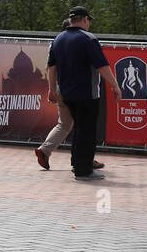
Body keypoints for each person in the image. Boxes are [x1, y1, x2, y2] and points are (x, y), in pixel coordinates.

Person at [47, 6, 120, 180]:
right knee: (86, 131)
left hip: (66, 93)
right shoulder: (88, 39)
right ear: (85, 19)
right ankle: (83, 170)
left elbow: (51, 67)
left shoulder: (58, 39)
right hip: (87, 93)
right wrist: (115, 85)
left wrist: (51, 89)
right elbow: (102, 66)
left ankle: (77, 165)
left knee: (78, 130)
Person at [34, 20, 102, 172]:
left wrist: (51, 89)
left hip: (62, 89)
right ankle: (84, 161)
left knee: (65, 124)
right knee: (83, 126)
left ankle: (45, 150)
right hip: (80, 91)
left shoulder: (56, 43)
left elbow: (50, 68)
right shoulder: (81, 41)